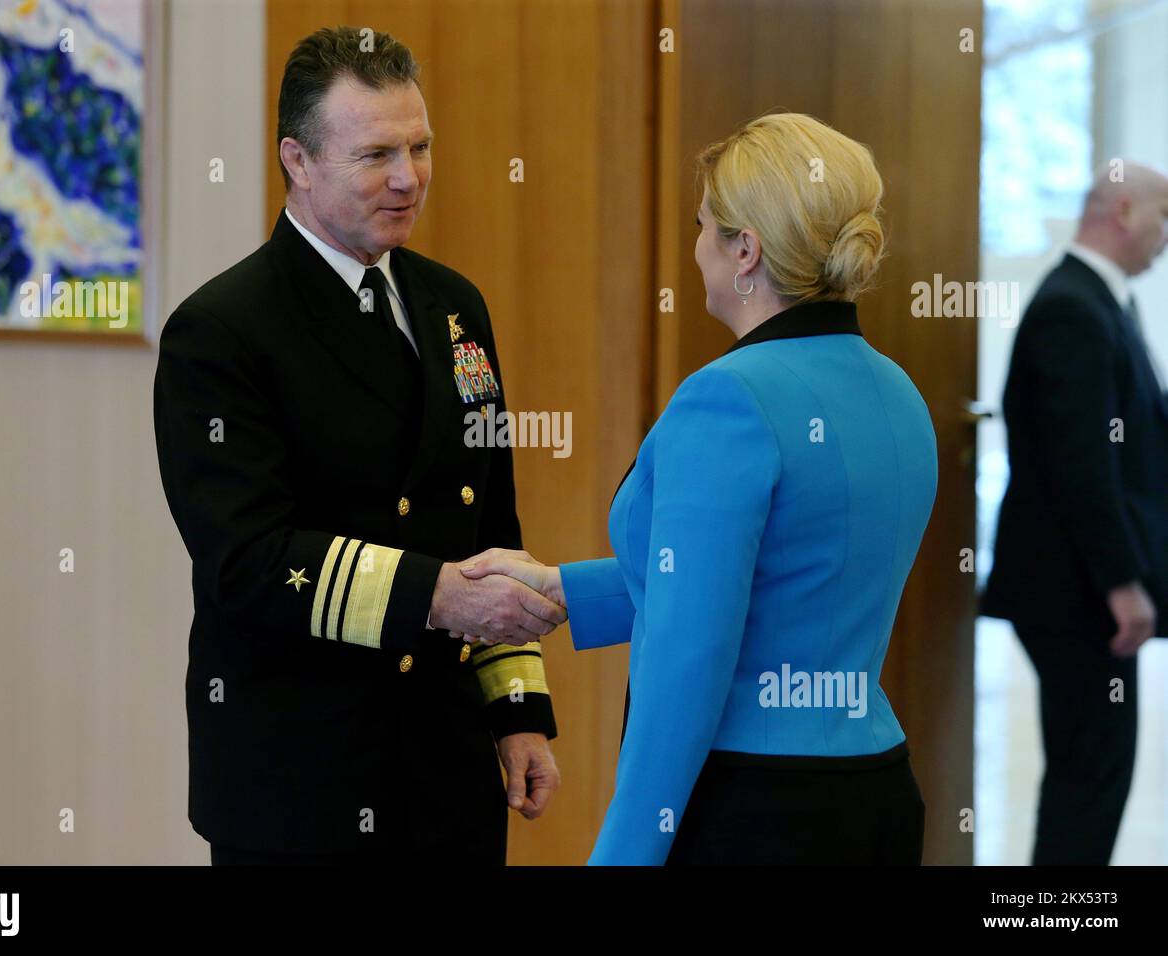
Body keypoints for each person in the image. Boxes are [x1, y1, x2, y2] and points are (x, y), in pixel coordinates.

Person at [459, 113, 938, 865]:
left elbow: (690, 662)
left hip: (754, 808)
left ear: (744, 250)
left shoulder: (729, 399)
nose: (696, 249)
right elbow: (776, 578)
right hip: (873, 790)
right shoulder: (898, 393)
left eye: (704, 226)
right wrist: (561, 591)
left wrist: (622, 854)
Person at [152, 25, 563, 866]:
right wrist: (437, 598)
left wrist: (516, 712)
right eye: (375, 154)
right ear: (296, 161)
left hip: (443, 768)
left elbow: (489, 519)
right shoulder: (223, 331)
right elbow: (248, 560)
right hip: (305, 780)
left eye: (420, 146)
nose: (409, 178)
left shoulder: (455, 306)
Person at [980, 162, 1168, 865]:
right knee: (1090, 777)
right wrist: (1122, 583)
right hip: (1079, 595)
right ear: (1122, 211)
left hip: (1085, 592)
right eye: (1163, 216)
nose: (1165, 236)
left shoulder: (1107, 302)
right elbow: (1079, 465)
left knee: (1095, 772)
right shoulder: (1074, 307)